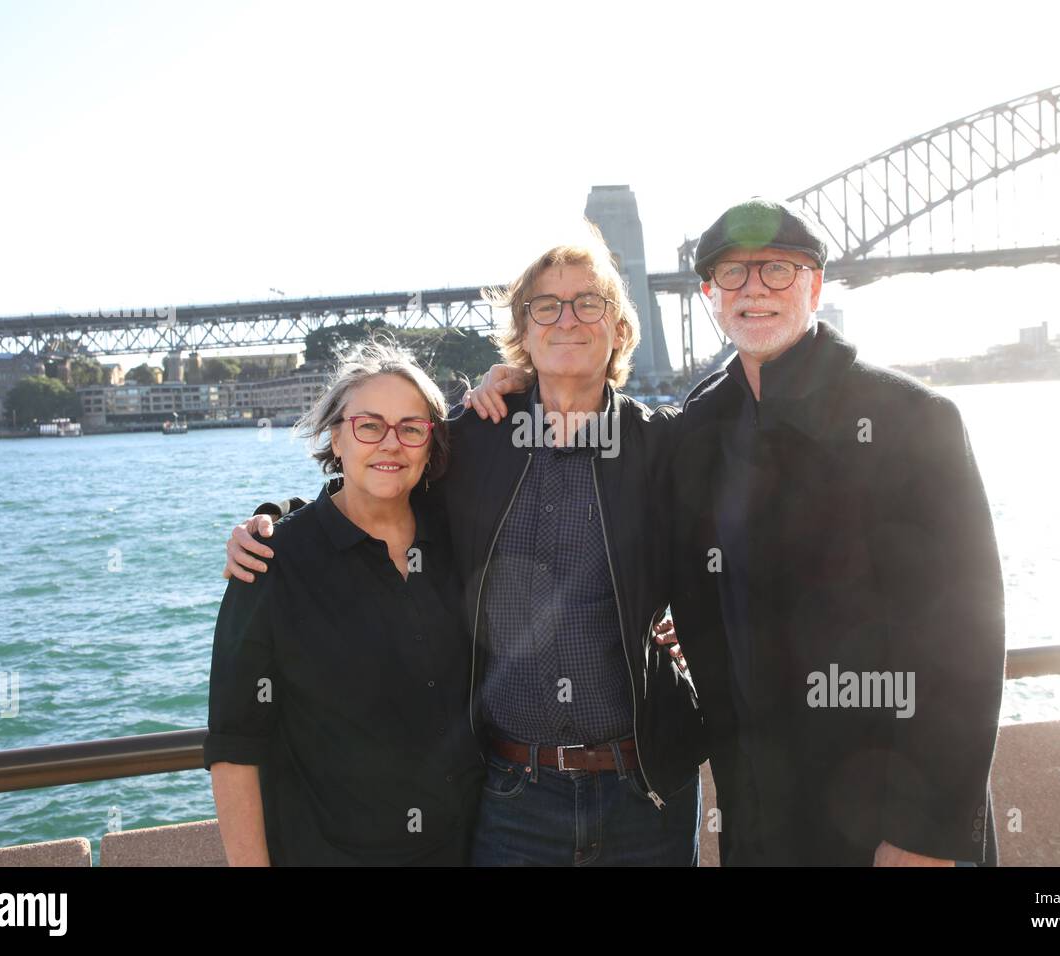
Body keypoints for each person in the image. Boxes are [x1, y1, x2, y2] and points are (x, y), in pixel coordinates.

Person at [465, 199, 1007, 866]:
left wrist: (924, 835)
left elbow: (969, 646)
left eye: (777, 270)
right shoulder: (698, 428)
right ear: (709, 296)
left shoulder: (910, 420)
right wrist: (521, 379)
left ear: (814, 285)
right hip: (760, 816)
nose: (754, 290)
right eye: (733, 275)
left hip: (888, 820)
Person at [223, 232, 704, 866]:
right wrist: (274, 521)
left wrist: (692, 635)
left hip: (647, 794)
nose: (567, 319)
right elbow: (376, 484)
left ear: (618, 328)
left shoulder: (665, 447)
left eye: (589, 303)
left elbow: (740, 558)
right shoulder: (471, 441)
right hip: (511, 798)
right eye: (546, 306)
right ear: (522, 335)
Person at [205, 343, 484, 865]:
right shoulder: (271, 563)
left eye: (411, 428)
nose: (391, 443)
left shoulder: (459, 540)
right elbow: (234, 746)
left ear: (429, 445)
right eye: (369, 426)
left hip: (467, 849)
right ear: (336, 435)